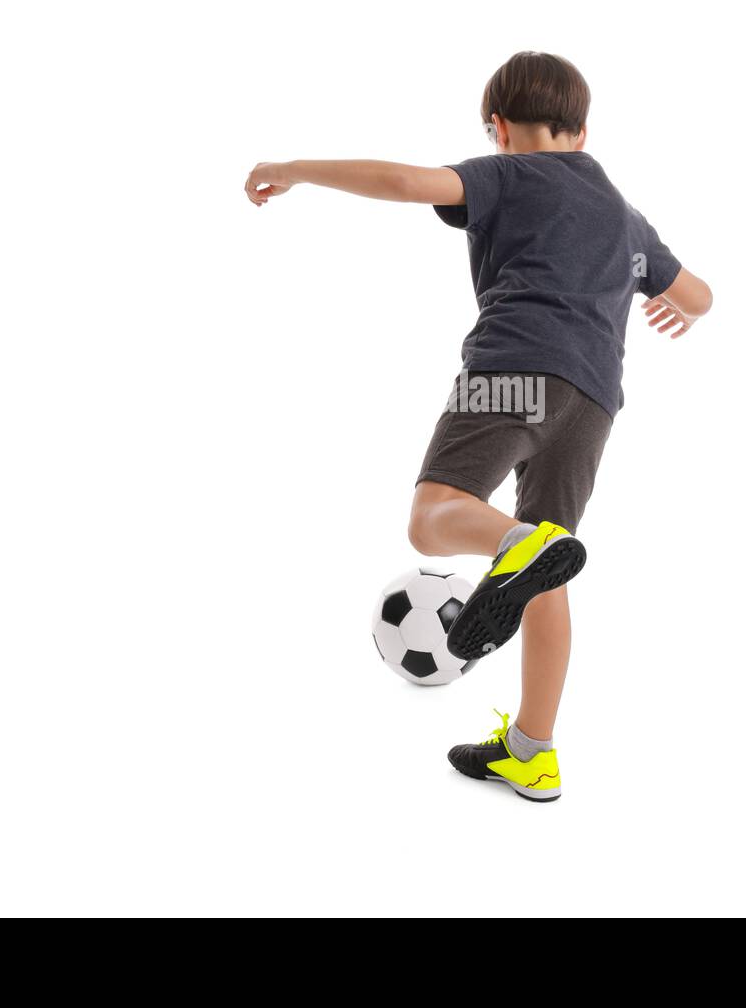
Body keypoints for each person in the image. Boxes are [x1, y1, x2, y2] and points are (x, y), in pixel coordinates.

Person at [245, 51, 713, 802]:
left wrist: (293, 167)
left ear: (497, 128)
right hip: (592, 406)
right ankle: (531, 750)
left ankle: (522, 549)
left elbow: (405, 183)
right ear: (582, 130)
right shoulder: (626, 217)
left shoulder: (511, 173)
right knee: (541, 567)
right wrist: (678, 305)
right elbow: (699, 293)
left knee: (434, 520)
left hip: (515, 372)